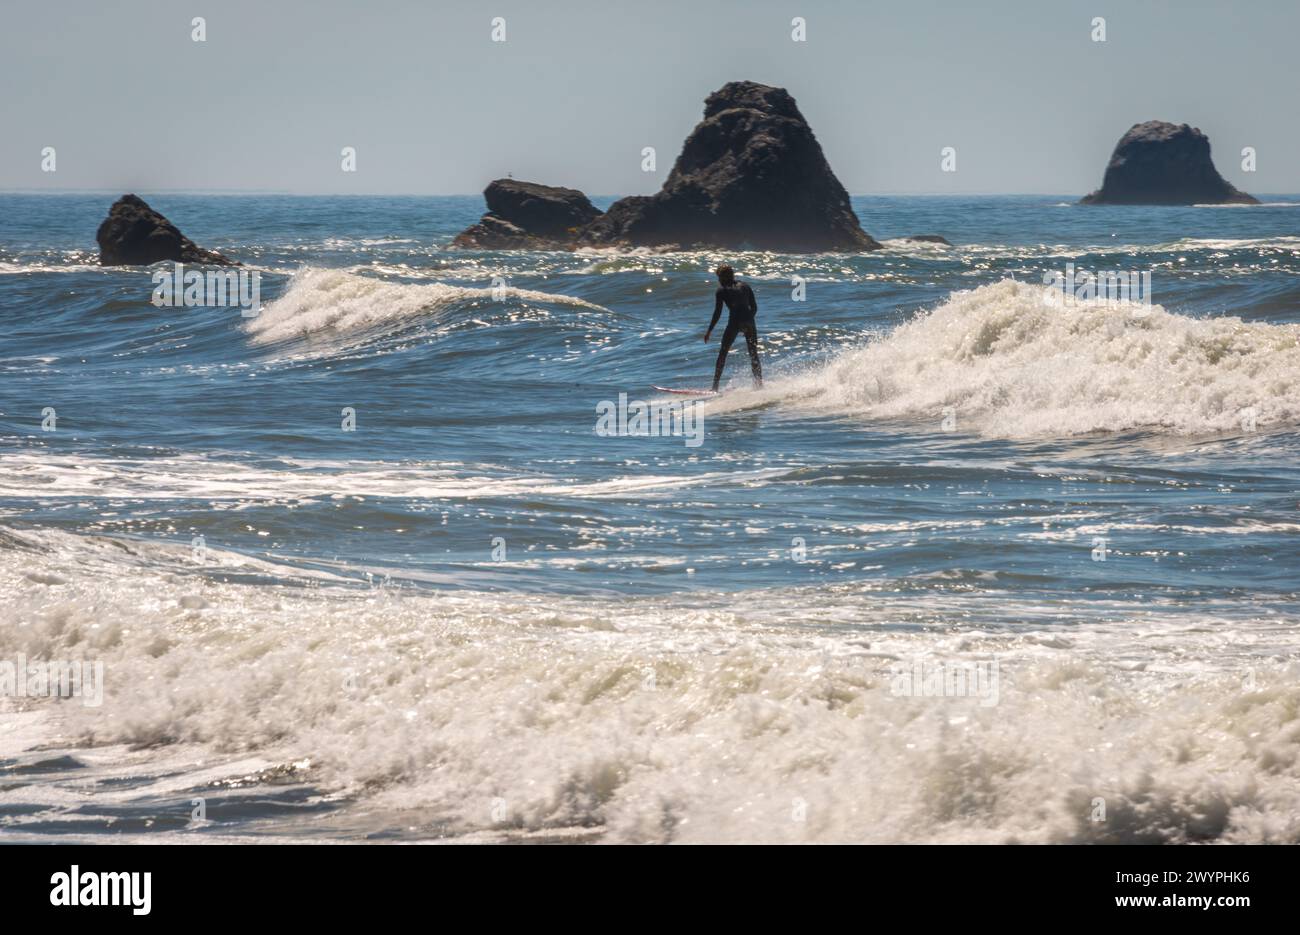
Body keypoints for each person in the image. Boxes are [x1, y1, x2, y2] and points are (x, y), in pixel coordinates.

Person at [704, 265, 763, 392]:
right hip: (750, 322)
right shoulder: (745, 286)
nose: (718, 280)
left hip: (735, 322)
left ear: (723, 277)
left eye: (719, 277)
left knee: (723, 353)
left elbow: (717, 313)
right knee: (753, 354)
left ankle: (715, 387)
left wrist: (709, 330)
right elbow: (754, 307)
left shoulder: (721, 290)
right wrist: (747, 321)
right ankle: (759, 384)